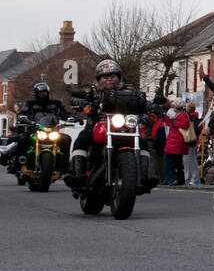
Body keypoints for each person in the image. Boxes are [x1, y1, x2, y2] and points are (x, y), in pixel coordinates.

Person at [66, 59, 156, 193]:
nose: (109, 79)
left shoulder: (129, 91)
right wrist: (81, 102)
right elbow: (76, 97)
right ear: (99, 79)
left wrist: (152, 106)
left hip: (124, 129)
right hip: (97, 127)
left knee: (142, 143)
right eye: (104, 77)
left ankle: (142, 178)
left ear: (118, 77)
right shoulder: (93, 91)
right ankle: (79, 177)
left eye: (112, 76)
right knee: (82, 139)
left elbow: (142, 100)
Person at [162, 99, 192, 186]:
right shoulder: (180, 114)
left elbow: (184, 125)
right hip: (175, 140)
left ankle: (172, 178)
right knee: (177, 161)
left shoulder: (183, 115)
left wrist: (173, 122)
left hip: (176, 141)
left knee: (169, 159)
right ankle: (178, 178)